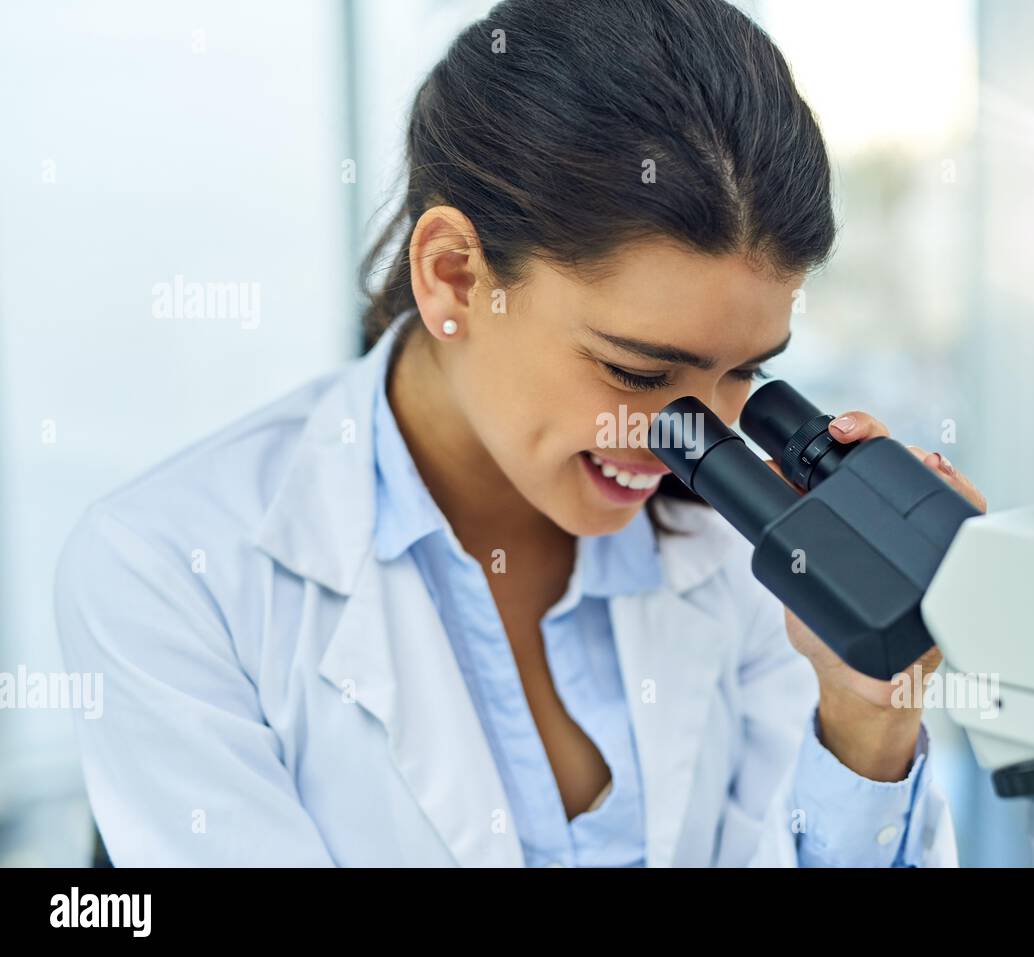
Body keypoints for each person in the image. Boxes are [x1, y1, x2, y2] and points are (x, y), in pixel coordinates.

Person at [54, 0, 985, 867]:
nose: (690, 444)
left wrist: (868, 710)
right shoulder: (171, 567)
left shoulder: (743, 555)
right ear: (455, 274)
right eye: (635, 372)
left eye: (744, 373)